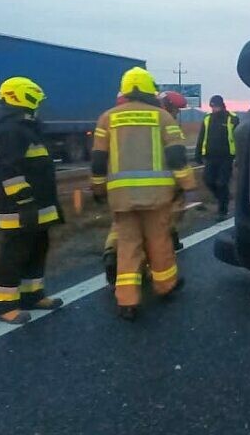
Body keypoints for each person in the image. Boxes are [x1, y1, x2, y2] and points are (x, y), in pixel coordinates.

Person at [91, 67, 196, 321]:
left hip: (122, 198)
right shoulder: (162, 117)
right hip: (157, 196)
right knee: (159, 242)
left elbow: (98, 159)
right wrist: (187, 185)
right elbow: (176, 157)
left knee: (127, 246)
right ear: (150, 90)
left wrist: (98, 188)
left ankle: (127, 301)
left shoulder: (108, 118)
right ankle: (165, 286)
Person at [0, 77, 64, 324]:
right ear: (20, 97)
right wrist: (24, 201)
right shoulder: (10, 130)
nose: (38, 105)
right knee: (15, 253)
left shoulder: (26, 127)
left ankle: (32, 295)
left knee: (37, 248)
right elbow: (8, 171)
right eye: (34, 99)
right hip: (20, 208)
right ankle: (4, 304)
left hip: (37, 205)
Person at [100, 90, 189, 285]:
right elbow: (174, 156)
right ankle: (158, 275)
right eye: (175, 109)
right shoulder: (160, 120)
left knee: (124, 227)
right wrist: (183, 182)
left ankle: (112, 252)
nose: (176, 114)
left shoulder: (118, 119)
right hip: (157, 188)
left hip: (120, 187)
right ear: (168, 106)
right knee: (157, 229)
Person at [196, 95, 239, 219]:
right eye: (212, 106)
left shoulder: (232, 118)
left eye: (216, 106)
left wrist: (239, 156)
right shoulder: (207, 119)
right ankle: (223, 198)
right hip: (210, 156)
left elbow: (238, 137)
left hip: (226, 157)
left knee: (222, 183)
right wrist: (198, 154)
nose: (215, 108)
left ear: (222, 105)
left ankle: (222, 210)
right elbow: (202, 137)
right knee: (208, 180)